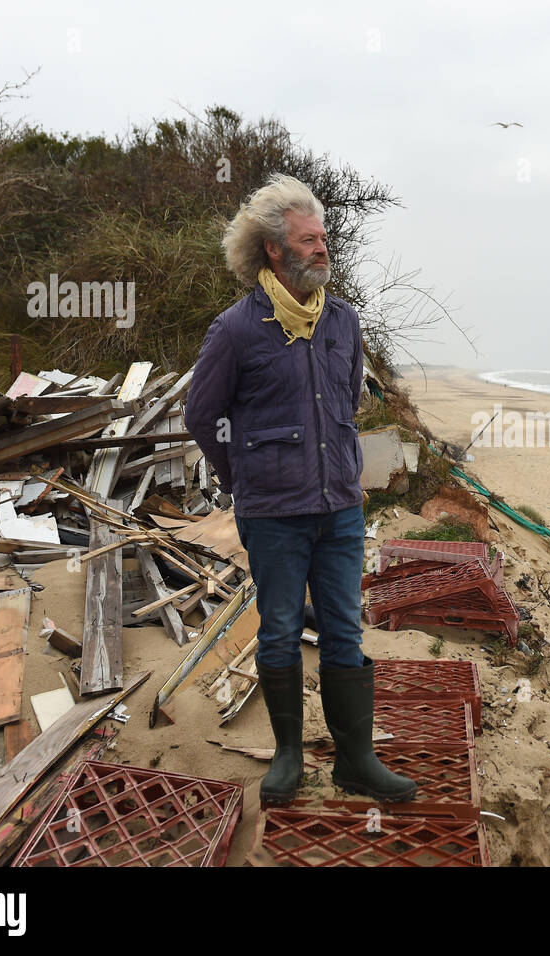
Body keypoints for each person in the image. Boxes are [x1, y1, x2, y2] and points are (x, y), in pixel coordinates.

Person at [185, 173, 417, 806]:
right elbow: (202, 418)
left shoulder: (343, 321)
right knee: (281, 629)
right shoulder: (236, 330)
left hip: (339, 508)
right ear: (272, 250)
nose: (322, 249)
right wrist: (242, 480)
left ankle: (356, 761)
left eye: (323, 239)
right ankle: (287, 757)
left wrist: (339, 468)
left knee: (344, 629)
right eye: (309, 241)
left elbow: (345, 405)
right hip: (274, 515)